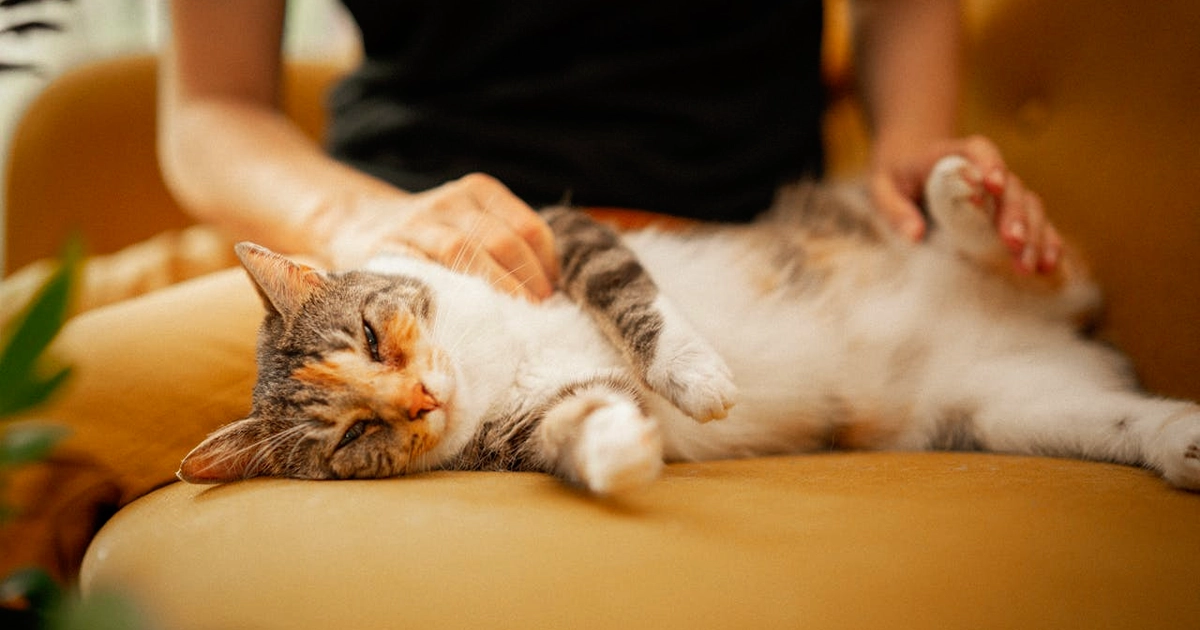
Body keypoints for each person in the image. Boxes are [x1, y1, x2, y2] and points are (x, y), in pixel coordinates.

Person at [161, 0, 1063, 304]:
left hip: (733, 245)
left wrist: (911, 138)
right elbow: (209, 108)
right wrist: (355, 219)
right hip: (384, 242)